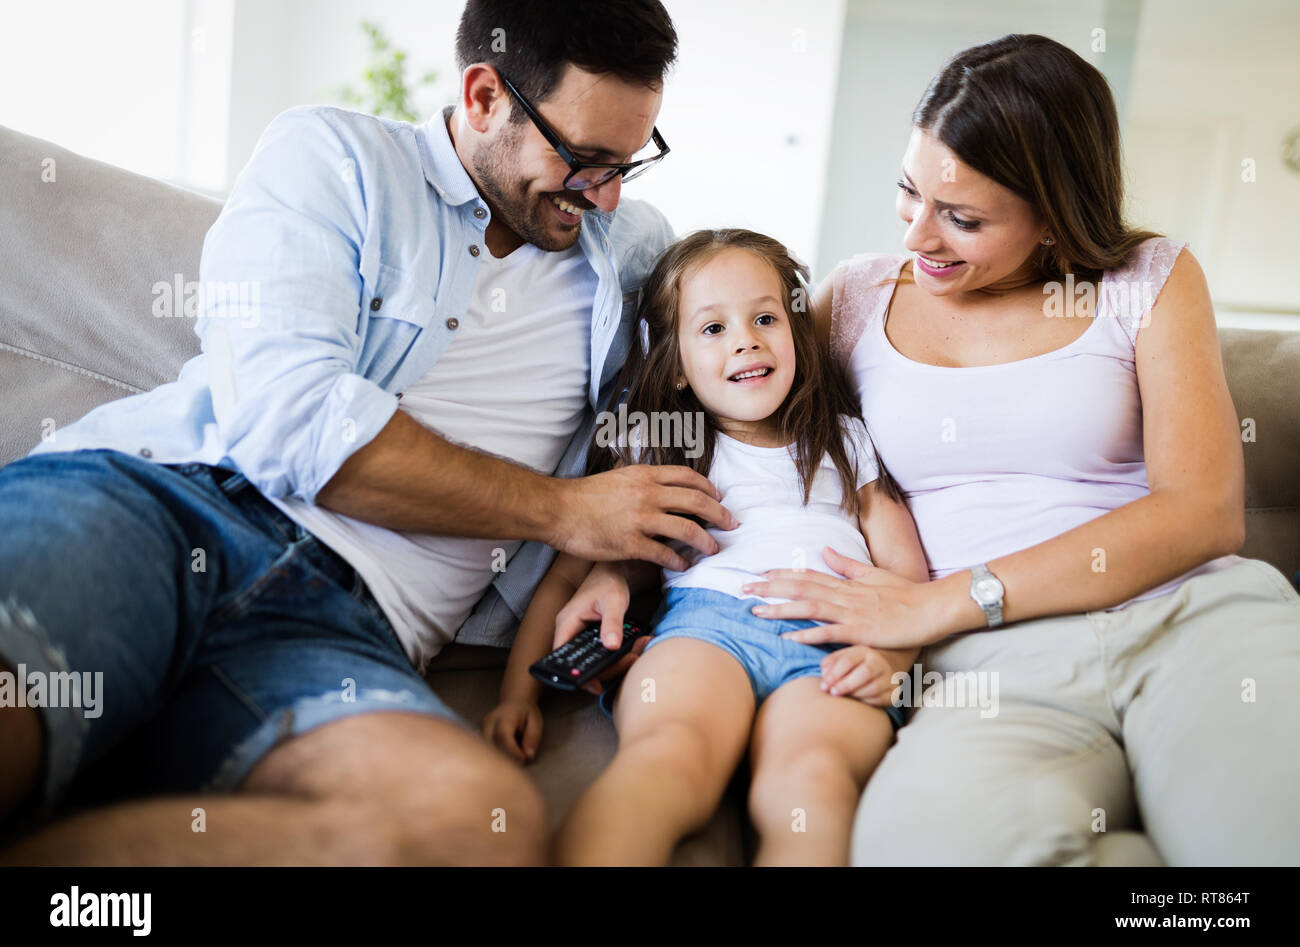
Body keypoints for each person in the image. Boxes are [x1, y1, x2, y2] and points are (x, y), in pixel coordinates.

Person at [0, 0, 729, 865]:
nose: (604, 194)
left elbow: (687, 404)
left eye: (628, 162)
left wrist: (609, 558)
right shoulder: (337, 157)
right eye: (583, 159)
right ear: (486, 94)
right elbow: (292, 422)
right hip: (160, 507)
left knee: (475, 830)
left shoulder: (635, 245)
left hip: (344, 634)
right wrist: (565, 512)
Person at [743, 34, 1300, 865]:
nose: (919, 238)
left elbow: (1204, 513)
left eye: (962, 218)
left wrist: (940, 602)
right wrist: (612, 572)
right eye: (909, 192)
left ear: (1053, 213)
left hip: (1191, 622)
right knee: (917, 850)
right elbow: (744, 444)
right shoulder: (854, 299)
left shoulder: (1149, 278)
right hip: (992, 668)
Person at [485, 229, 930, 866]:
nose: (746, 338)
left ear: (797, 331)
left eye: (765, 317)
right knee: (667, 758)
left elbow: (906, 572)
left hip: (836, 637)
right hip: (704, 633)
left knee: (813, 780)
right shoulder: (660, 448)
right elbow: (567, 577)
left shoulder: (844, 438)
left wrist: (893, 655)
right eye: (712, 329)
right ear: (678, 367)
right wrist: (516, 696)